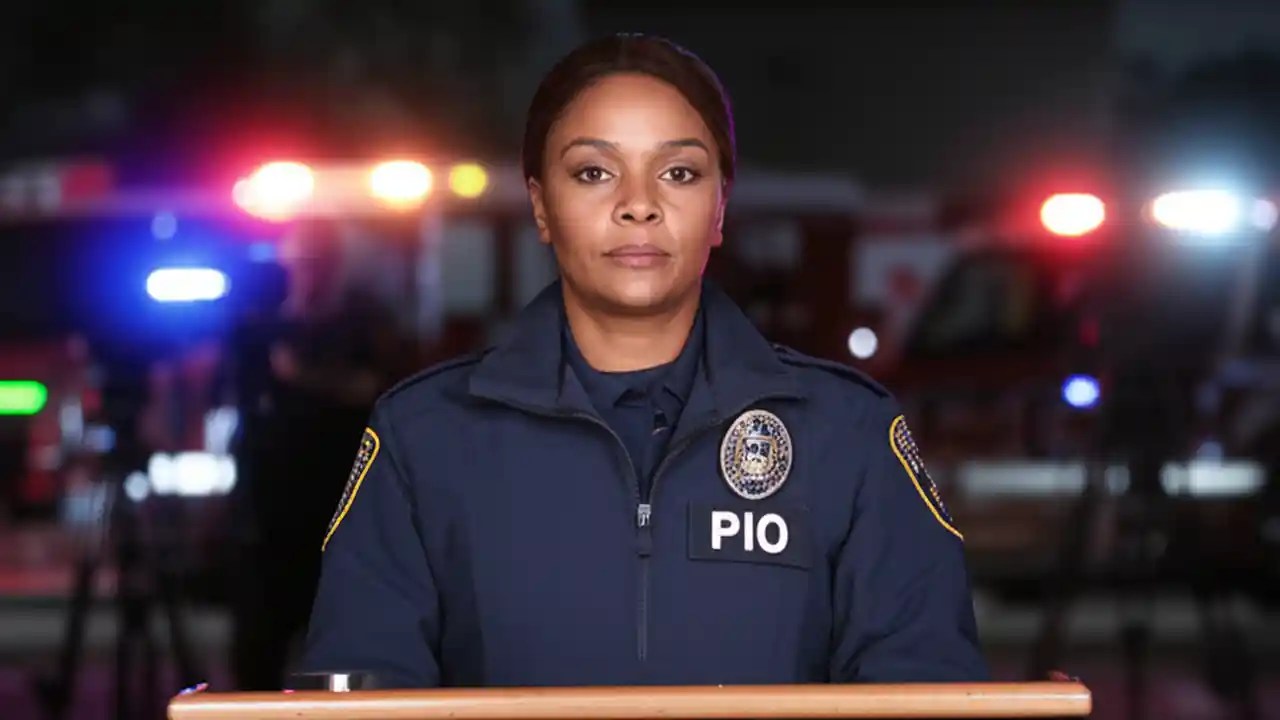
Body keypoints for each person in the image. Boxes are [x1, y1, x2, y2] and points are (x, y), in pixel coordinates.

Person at [299, 33, 988, 687]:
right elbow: (362, 693)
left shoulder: (848, 435)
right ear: (541, 206)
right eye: (594, 172)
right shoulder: (425, 438)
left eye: (679, 173)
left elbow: (926, 689)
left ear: (720, 208)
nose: (638, 206)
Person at [229, 221, 414, 690]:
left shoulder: (361, 324)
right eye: (303, 263)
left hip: (336, 510)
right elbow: (237, 408)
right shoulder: (262, 329)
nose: (310, 273)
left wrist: (305, 377)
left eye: (319, 263)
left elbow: (377, 390)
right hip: (270, 515)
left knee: (339, 648)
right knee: (260, 642)